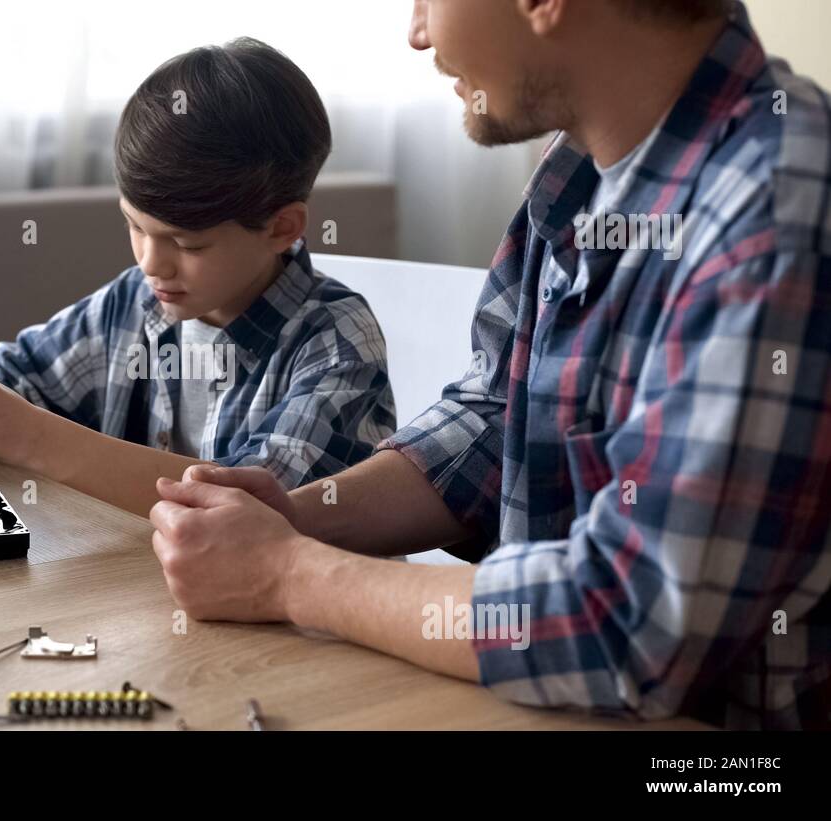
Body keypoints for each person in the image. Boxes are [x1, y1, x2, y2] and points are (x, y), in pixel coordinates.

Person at [150, 0, 831, 729]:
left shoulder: (777, 203)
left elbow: (625, 625)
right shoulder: (578, 169)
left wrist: (289, 574)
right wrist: (295, 520)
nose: (416, 33)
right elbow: (496, 418)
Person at [0, 38, 395, 518]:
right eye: (134, 226)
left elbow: (258, 511)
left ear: (281, 229)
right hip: (138, 599)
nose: (152, 263)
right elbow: (9, 381)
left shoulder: (337, 341)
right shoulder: (135, 303)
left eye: (187, 243)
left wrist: (27, 437)